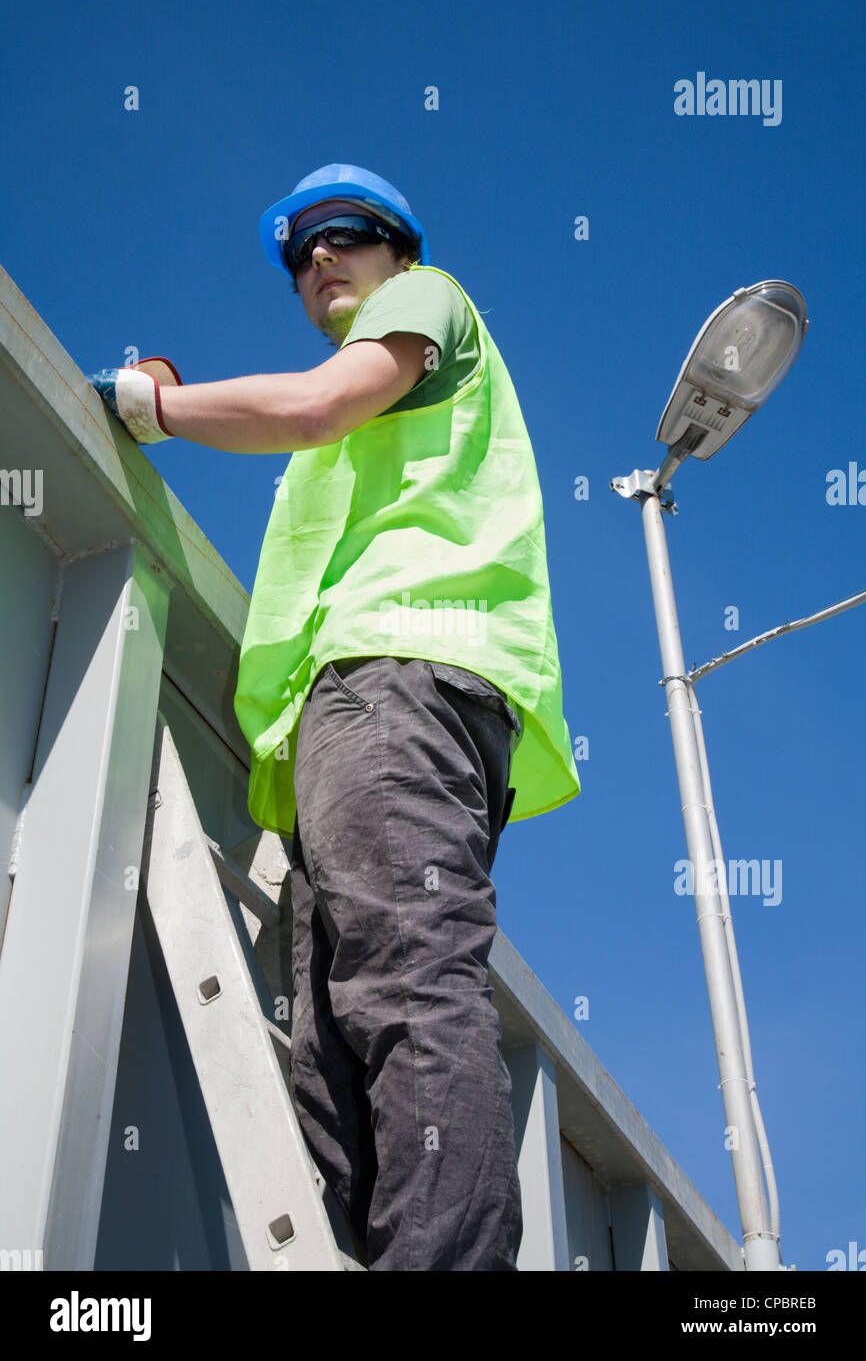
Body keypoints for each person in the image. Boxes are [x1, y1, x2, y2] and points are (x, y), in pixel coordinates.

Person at [88, 163, 581, 1271]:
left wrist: (156, 407)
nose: (317, 257)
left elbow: (312, 406)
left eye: (344, 233)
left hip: (401, 676)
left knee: (403, 985)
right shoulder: (369, 421)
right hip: (356, 714)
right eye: (296, 250)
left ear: (396, 247)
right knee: (329, 1032)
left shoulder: (425, 301)